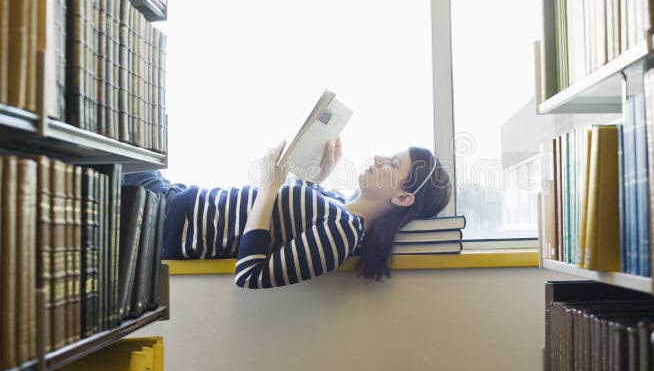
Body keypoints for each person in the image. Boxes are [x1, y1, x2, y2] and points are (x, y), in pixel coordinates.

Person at [123, 139, 452, 287]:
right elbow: (286, 218)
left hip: (166, 223)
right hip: (175, 197)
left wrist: (270, 187)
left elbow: (251, 274)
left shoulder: (345, 232)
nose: (379, 157)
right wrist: (313, 178)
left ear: (404, 197)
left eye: (392, 164)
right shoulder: (337, 203)